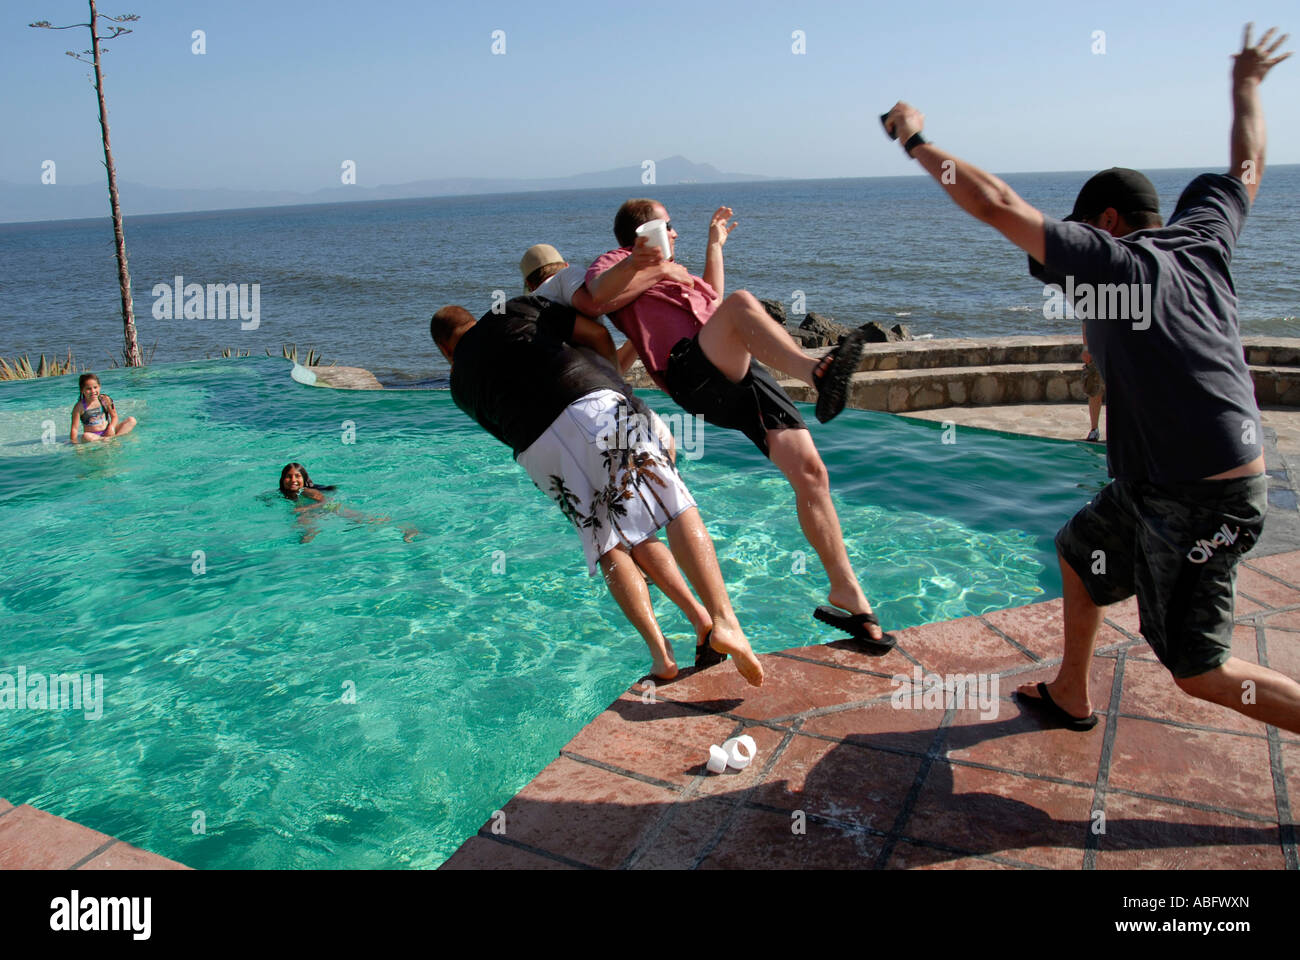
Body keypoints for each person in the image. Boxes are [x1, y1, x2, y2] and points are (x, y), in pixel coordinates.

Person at [881, 23, 1299, 733]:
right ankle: (1070, 691)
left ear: (1106, 222)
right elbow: (1250, 163)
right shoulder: (1204, 235)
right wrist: (1247, 86)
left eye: (1081, 232)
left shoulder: (1113, 261)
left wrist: (915, 140)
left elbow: (996, 205)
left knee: (1199, 669)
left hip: (1205, 494)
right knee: (1080, 550)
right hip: (1154, 483)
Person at [583, 201, 891, 646]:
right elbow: (596, 294)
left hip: (735, 370)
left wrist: (715, 245)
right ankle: (815, 374)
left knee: (811, 473)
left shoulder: (679, 269)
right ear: (643, 231)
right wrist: (644, 263)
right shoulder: (617, 263)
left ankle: (850, 595)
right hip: (688, 371)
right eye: (668, 225)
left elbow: (709, 300)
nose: (673, 233)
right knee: (743, 303)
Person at [431, 295, 764, 685]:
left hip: (540, 448)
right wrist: (615, 382)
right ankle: (722, 619)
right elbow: (594, 333)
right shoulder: (516, 308)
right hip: (590, 398)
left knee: (607, 543)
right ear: (472, 319)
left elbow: (503, 430)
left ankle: (664, 656)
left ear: (445, 350)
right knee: (669, 503)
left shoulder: (458, 384)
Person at [279, 462, 417, 543]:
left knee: (363, 518)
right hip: (320, 509)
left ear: (304, 479)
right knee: (360, 519)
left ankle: (408, 528)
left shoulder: (306, 491)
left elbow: (324, 501)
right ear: (282, 479)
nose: (293, 480)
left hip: (330, 506)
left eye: (297, 476)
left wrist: (304, 509)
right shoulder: (284, 494)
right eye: (289, 477)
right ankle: (307, 538)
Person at [70, 373, 137, 443]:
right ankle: (108, 440)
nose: (93, 391)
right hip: (94, 436)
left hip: (109, 431)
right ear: (82, 390)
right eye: (88, 389)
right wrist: (75, 445)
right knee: (85, 436)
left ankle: (114, 438)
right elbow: (74, 429)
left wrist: (111, 427)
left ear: (99, 387)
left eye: (95, 387)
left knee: (132, 420)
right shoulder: (79, 407)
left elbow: (114, 417)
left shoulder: (105, 399)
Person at [1081, 323, 1104, 443]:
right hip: (1097, 348)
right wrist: (1086, 348)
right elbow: (1086, 322)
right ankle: (1094, 429)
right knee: (1094, 391)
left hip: (1119, 348)